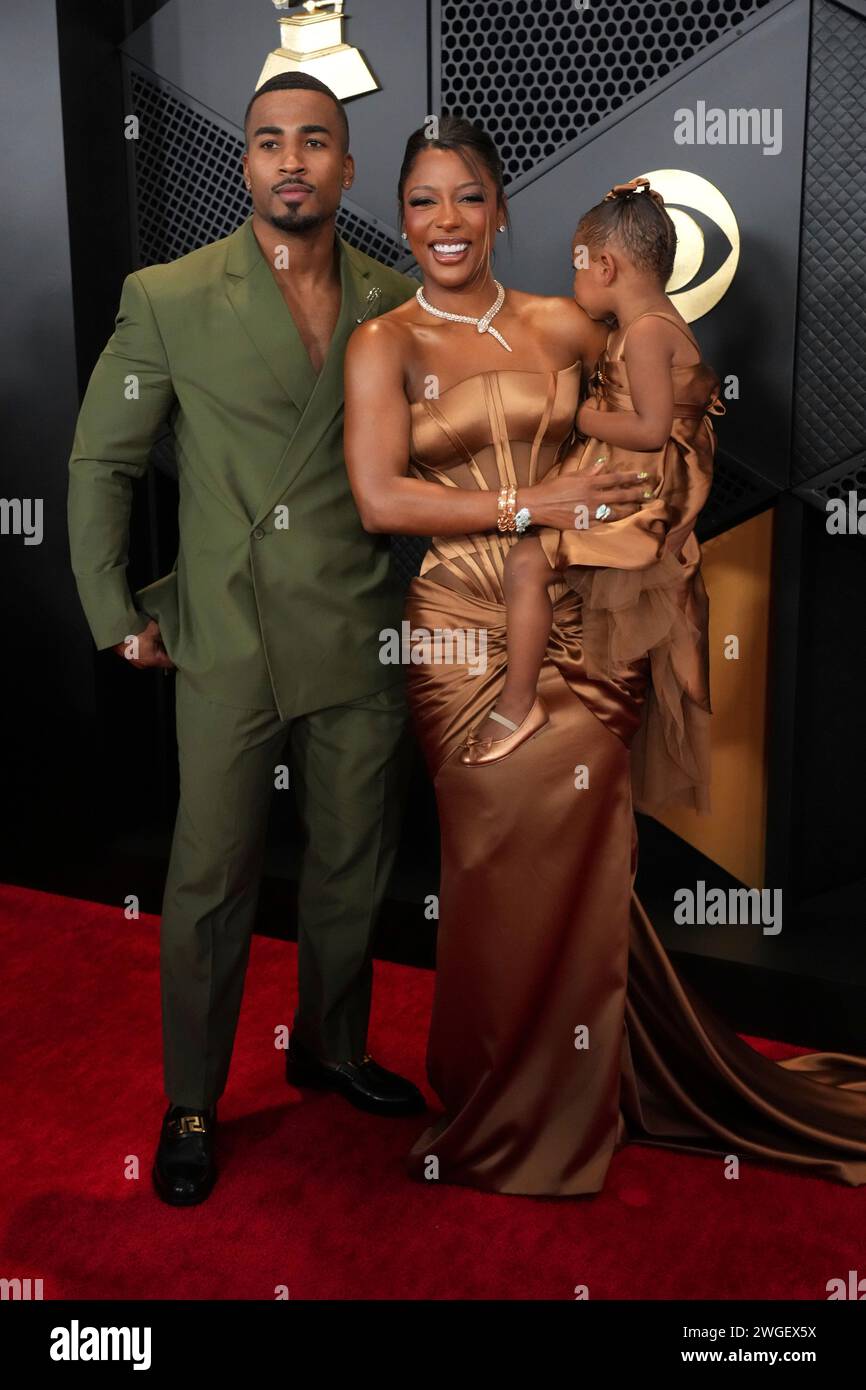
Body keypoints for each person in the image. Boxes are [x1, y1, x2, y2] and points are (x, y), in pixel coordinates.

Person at [344, 117, 866, 1197]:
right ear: (401, 216)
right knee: (487, 872)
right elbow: (377, 497)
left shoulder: (564, 324)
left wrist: (650, 517)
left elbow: (675, 423)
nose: (445, 222)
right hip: (453, 631)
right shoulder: (383, 341)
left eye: (467, 198)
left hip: (579, 632)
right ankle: (498, 1089)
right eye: (423, 202)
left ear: (500, 207)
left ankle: (571, 1098)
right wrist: (522, 501)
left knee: (578, 867)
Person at [67, 73, 425, 1208]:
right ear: (244, 165)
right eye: (268, 140)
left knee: (351, 862)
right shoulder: (169, 294)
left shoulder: (396, 298)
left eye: (314, 142)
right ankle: (190, 1098)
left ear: (347, 168)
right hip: (227, 633)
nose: (291, 160)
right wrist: (116, 612)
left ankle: (327, 1044)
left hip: (358, 626)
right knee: (210, 877)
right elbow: (102, 462)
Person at [461, 177, 723, 801]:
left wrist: (583, 415)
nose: (571, 280)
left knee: (528, 562)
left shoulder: (649, 333)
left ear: (605, 265)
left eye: (575, 265)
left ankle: (517, 706)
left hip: (639, 490)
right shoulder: (649, 325)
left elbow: (653, 427)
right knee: (542, 569)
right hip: (630, 479)